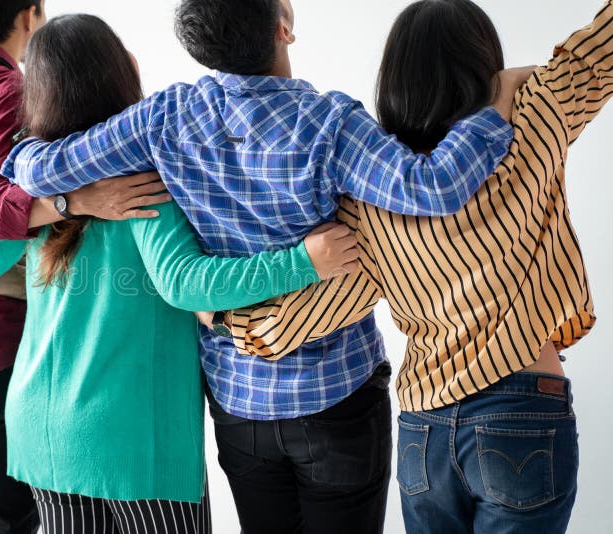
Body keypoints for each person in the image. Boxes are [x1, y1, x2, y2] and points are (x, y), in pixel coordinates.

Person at [0, 1, 529, 531]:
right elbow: (432, 186)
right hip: (336, 396)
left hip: (239, 404)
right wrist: (494, 108)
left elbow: (30, 166)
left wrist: (76, 199)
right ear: (283, 29)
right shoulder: (330, 123)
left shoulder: (165, 116)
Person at [0, 13, 367, 534]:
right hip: (135, 440)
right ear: (123, 69)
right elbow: (187, 283)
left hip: (42, 431)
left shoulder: (31, 193)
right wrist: (301, 262)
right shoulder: (147, 182)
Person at [225, 1, 613, 532]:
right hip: (524, 408)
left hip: (422, 432)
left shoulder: (367, 205)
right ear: (485, 63)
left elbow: (295, 321)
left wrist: (222, 318)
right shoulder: (535, 119)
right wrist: (511, 87)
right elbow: (601, 52)